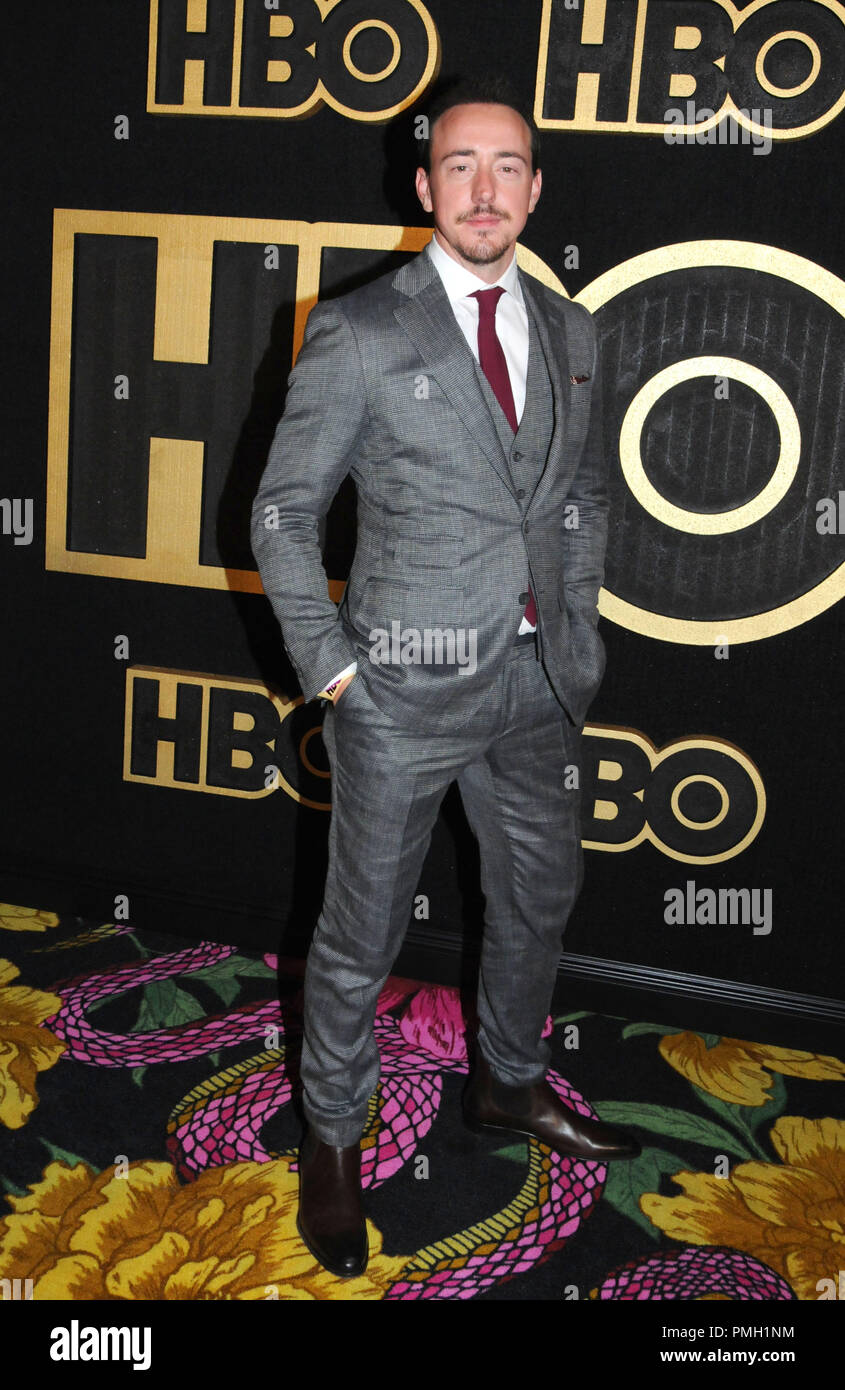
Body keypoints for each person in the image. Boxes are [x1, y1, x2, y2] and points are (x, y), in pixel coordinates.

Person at [250, 75, 640, 1280]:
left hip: (536, 690)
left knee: (536, 900)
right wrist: (336, 674)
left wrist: (572, 629)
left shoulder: (571, 332)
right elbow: (279, 514)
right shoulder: (361, 332)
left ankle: (506, 1086)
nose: (484, 189)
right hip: (399, 696)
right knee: (358, 935)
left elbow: (577, 498)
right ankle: (330, 1140)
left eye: (507, 167)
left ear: (534, 187)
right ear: (422, 187)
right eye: (460, 166)